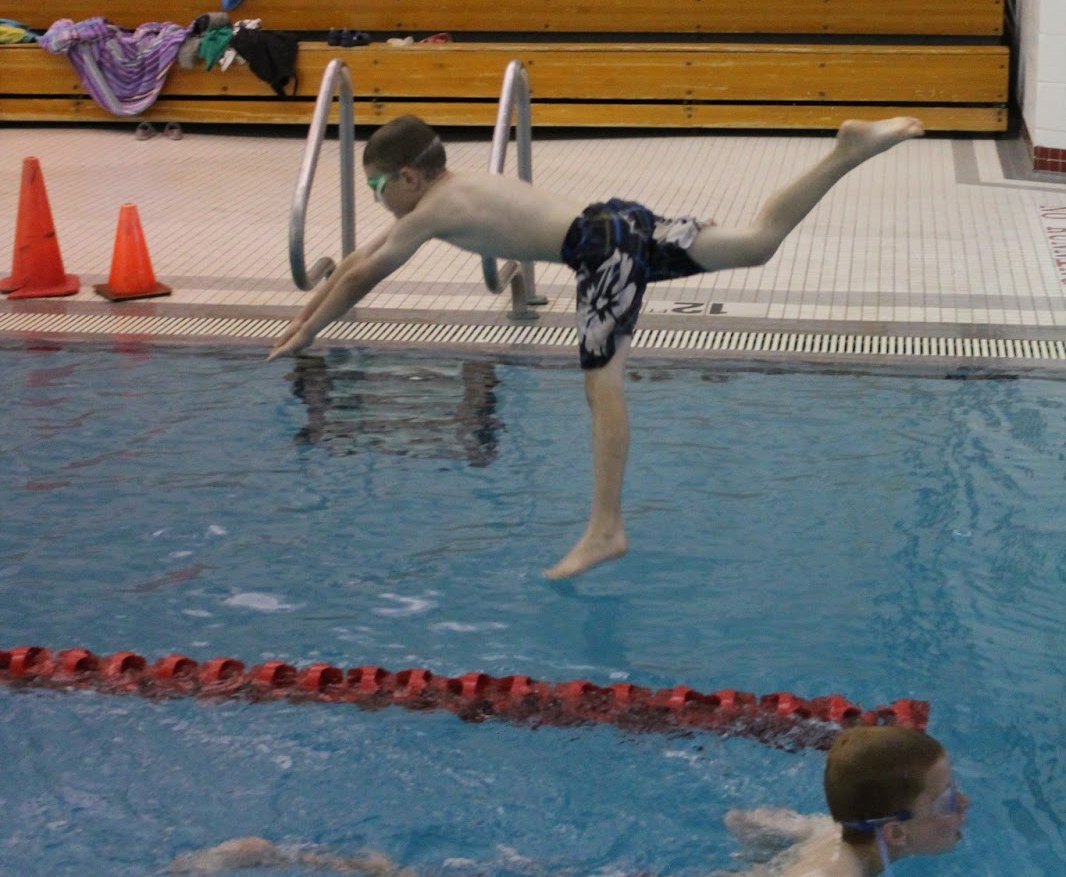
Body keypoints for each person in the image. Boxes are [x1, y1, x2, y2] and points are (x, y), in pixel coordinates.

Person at [269, 113, 924, 578]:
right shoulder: (453, 190)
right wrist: (303, 319)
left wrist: (310, 331)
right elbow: (362, 254)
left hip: (598, 248)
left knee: (601, 382)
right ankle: (846, 152)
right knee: (756, 243)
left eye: (378, 188)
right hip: (618, 222)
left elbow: (363, 272)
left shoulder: (437, 208)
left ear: (409, 178)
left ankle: (606, 527)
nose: (379, 202)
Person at [167, 725, 967, 877]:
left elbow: (739, 820)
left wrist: (762, 845)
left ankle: (275, 855)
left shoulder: (830, 829)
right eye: (948, 802)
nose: (962, 811)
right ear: (894, 831)